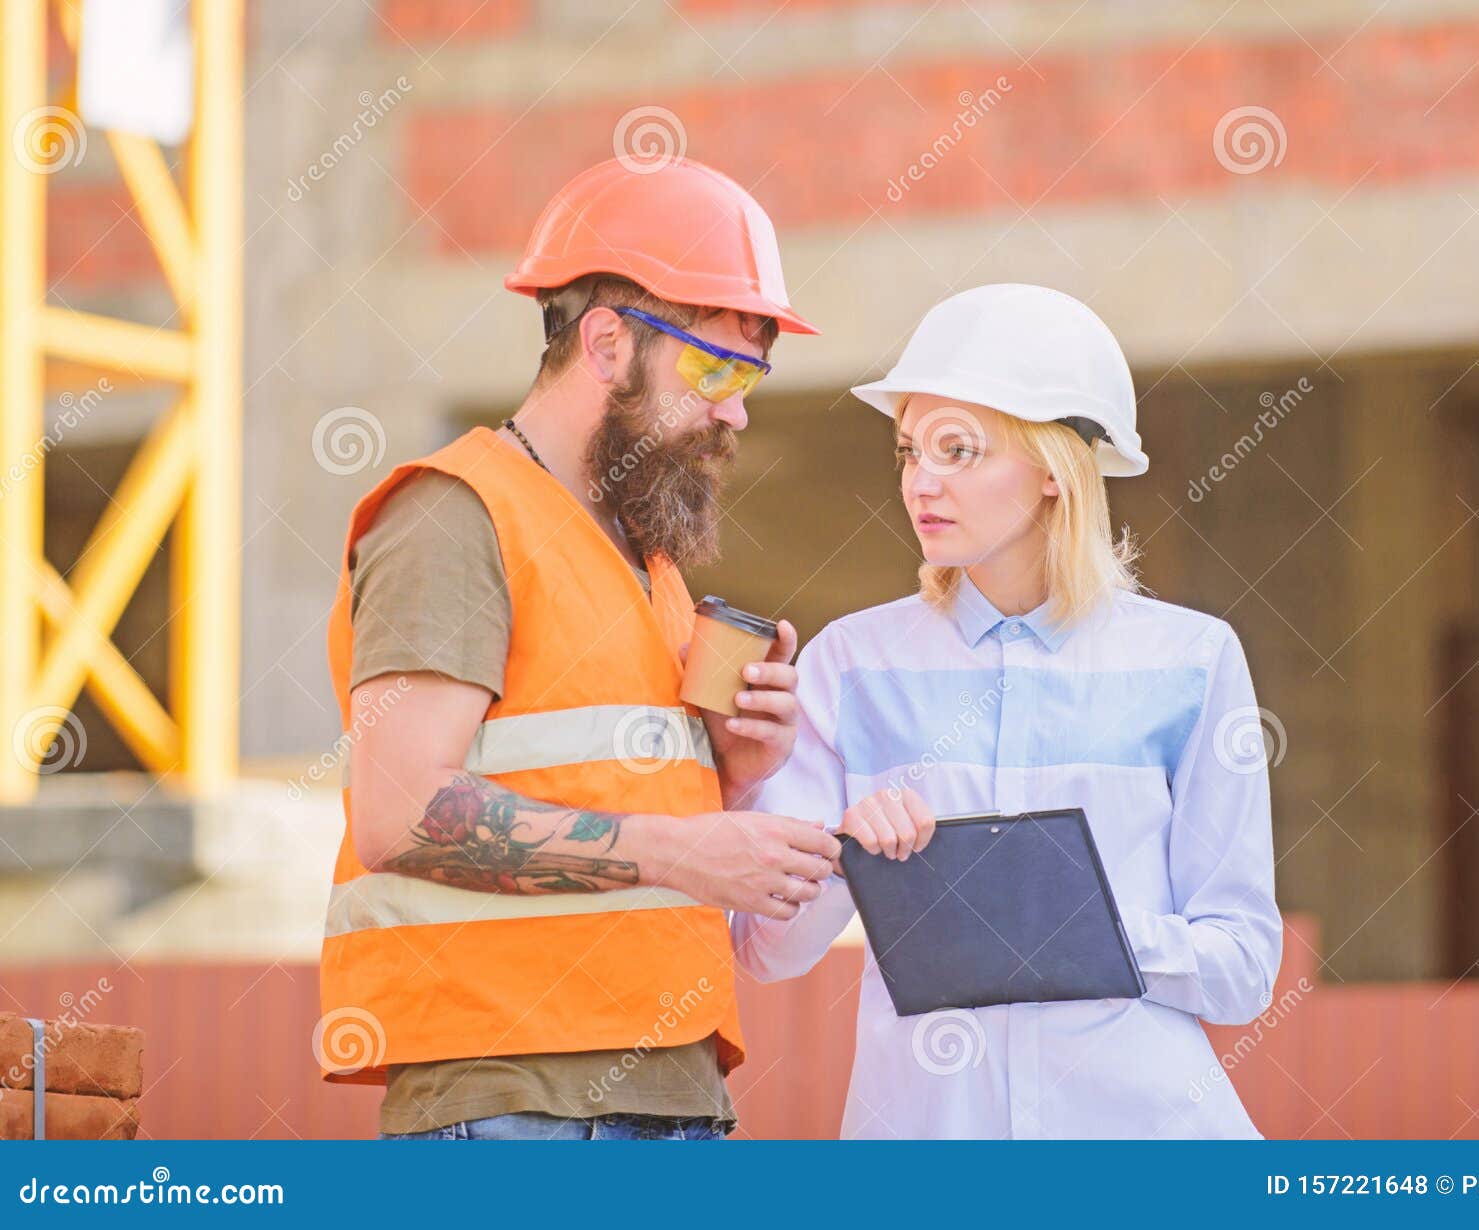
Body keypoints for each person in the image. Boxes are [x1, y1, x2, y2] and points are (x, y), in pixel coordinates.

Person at [319, 157, 841, 1141]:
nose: (735, 410)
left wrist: (732, 773)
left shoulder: (647, 558)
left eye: (750, 377)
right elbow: (399, 811)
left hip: (669, 1098)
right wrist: (683, 848)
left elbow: (605, 798)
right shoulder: (453, 516)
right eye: (716, 370)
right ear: (606, 342)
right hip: (515, 1105)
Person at [732, 284, 1283, 1139]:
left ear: (1055, 470)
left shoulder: (1192, 661)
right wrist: (845, 859)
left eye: (958, 450)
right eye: (910, 452)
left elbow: (1244, 968)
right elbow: (765, 954)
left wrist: (1076, 929)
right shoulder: (849, 664)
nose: (921, 482)